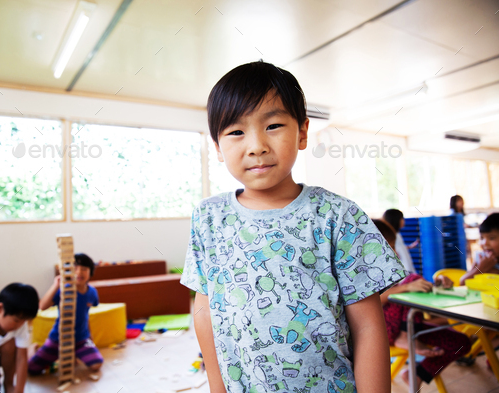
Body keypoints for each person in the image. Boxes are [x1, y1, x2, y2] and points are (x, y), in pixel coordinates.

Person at [180, 60, 408, 393]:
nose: (256, 145)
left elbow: (369, 327)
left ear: (302, 132)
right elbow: (204, 309)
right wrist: (217, 385)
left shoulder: (337, 216)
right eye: (236, 132)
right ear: (217, 146)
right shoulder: (207, 218)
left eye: (273, 125)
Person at [374, 218, 471, 388]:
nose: (396, 253)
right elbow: (373, 302)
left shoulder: (391, 272)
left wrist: (438, 285)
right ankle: (405, 337)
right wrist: (408, 286)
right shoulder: (361, 276)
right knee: (412, 279)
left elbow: (412, 290)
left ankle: (416, 375)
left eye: (394, 246)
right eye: (389, 247)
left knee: (461, 342)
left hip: (411, 328)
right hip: (383, 332)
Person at [28, 253, 103, 375]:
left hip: (81, 339)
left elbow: (85, 315)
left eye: (84, 269)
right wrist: (55, 285)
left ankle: (73, 354)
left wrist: (91, 338)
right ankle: (32, 350)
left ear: (91, 272)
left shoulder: (92, 293)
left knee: (97, 364)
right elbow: (42, 306)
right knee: (32, 369)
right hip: (58, 339)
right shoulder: (64, 290)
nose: (79, 272)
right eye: (75, 269)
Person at [460, 213, 499, 285]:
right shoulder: (480, 258)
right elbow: (463, 282)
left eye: (491, 238)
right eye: (482, 238)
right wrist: (481, 269)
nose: (484, 243)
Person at [383, 209, 417, 273]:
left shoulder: (397, 234)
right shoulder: (391, 235)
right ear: (396, 220)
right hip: (402, 268)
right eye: (402, 219)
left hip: (406, 266)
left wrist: (409, 247)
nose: (403, 221)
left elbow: (399, 247)